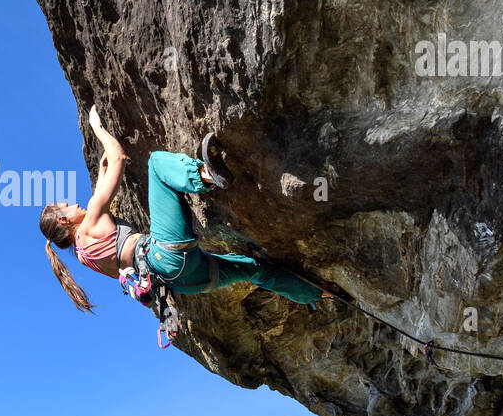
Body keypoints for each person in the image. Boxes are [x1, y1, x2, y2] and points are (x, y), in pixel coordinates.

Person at [38, 107, 329, 312]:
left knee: (255, 269)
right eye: (67, 205)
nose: (74, 203)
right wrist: (98, 129)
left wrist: (102, 168)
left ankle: (320, 294)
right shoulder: (90, 220)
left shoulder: (83, 255)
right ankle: (207, 175)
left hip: (183, 281)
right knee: (156, 165)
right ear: (64, 220)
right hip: (166, 253)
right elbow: (118, 159)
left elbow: (100, 190)